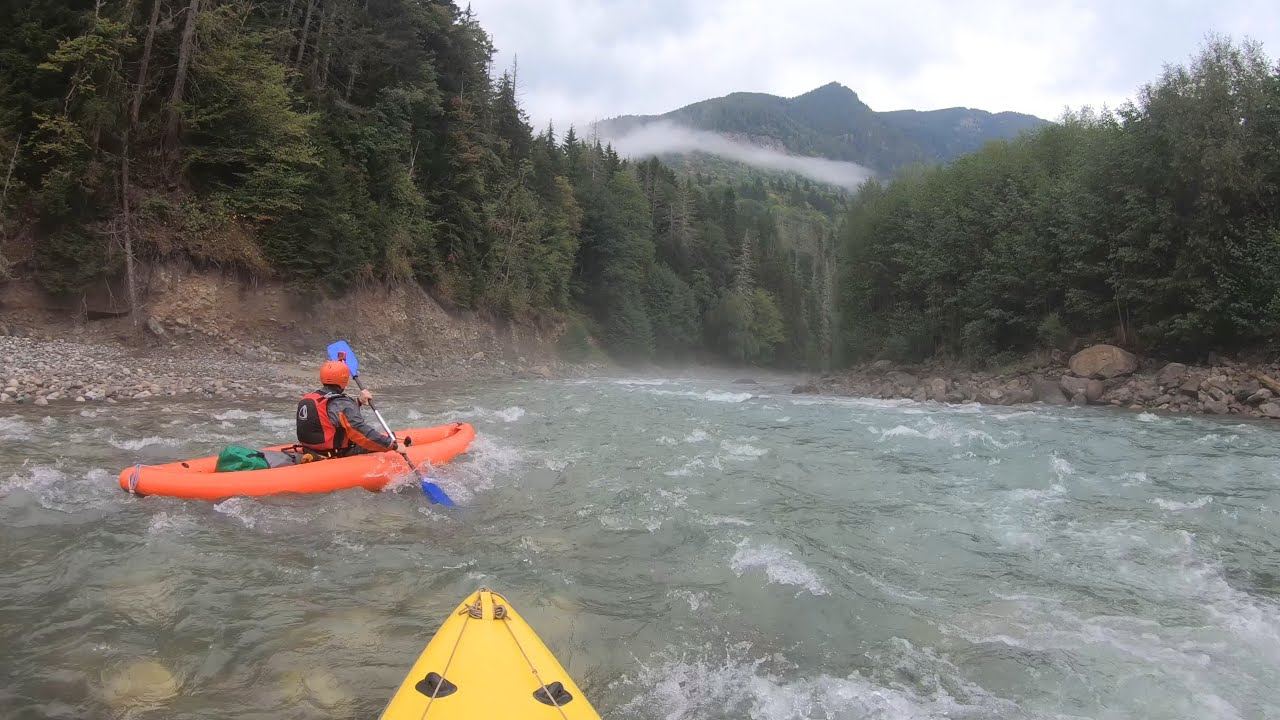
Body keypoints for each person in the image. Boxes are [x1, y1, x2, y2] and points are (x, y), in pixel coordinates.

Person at [296, 360, 398, 458]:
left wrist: (358, 401)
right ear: (344, 379)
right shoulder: (342, 403)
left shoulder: (310, 398)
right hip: (336, 453)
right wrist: (392, 445)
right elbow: (361, 432)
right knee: (391, 438)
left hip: (311, 449)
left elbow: (329, 415)